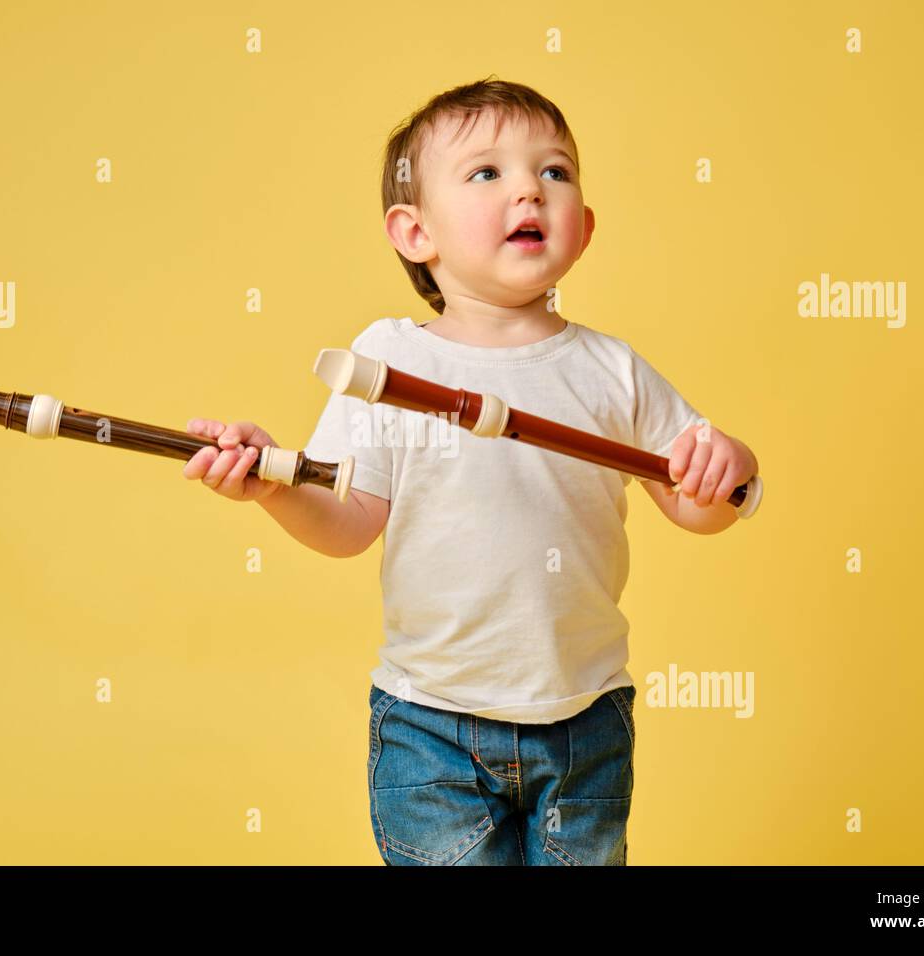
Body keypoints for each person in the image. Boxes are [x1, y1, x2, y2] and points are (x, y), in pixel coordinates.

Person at [183, 77, 759, 865]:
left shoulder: (613, 370)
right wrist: (275, 490)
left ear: (584, 228)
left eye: (554, 171)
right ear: (414, 232)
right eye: (487, 172)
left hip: (585, 718)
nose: (530, 188)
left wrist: (729, 465)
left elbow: (702, 504)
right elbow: (349, 524)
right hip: (431, 723)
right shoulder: (389, 360)